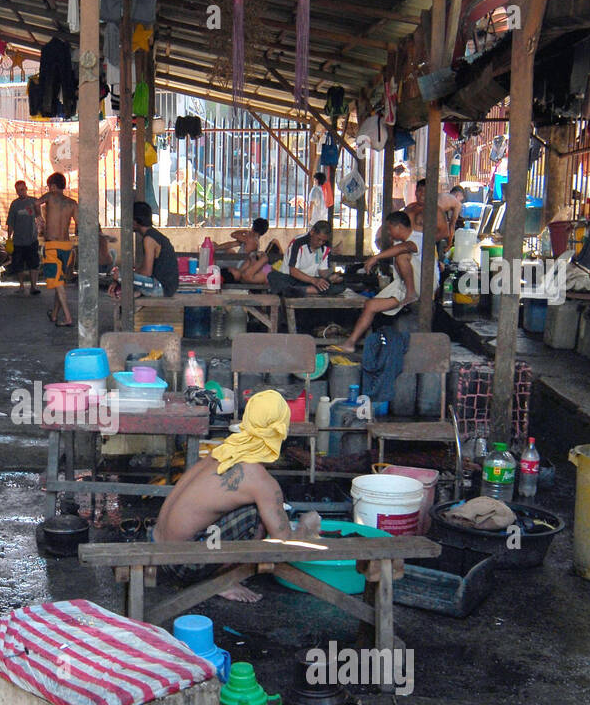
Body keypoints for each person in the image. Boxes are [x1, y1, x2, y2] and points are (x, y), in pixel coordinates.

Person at [151, 390, 321, 603]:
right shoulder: (262, 482)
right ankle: (222, 581)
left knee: (253, 506)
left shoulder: (225, 450)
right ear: (281, 430)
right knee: (257, 515)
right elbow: (285, 546)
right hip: (181, 566)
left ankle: (213, 570)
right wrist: (306, 526)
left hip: (157, 546)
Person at [333, 211, 421, 353]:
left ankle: (411, 294)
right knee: (370, 305)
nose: (388, 232)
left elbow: (405, 248)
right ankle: (350, 343)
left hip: (420, 286)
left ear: (398, 226)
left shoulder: (417, 238)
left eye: (389, 228)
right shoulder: (399, 242)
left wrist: (376, 258)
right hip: (403, 286)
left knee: (401, 256)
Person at [109, 201, 178, 300]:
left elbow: (146, 272)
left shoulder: (149, 239)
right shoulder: (153, 235)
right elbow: (144, 269)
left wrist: (119, 278)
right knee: (124, 275)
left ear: (135, 222)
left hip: (161, 288)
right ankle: (136, 292)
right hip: (167, 287)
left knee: (118, 275)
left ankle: (132, 291)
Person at [266, 219, 346, 296]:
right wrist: (314, 281)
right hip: (291, 278)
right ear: (312, 232)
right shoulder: (298, 243)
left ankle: (303, 290)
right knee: (273, 277)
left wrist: (331, 277)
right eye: (318, 239)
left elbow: (322, 271)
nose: (320, 243)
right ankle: (310, 290)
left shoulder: (324, 247)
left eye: (323, 241)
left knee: (341, 286)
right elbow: (293, 271)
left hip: (310, 282)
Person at [39, 173, 79, 325]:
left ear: (53, 186)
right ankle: (55, 314)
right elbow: (80, 224)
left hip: (52, 247)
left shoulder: (50, 196)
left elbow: (36, 203)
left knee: (58, 284)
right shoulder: (72, 203)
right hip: (67, 247)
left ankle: (68, 318)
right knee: (60, 282)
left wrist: (39, 218)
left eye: (49, 186)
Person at [6, 180, 42, 295]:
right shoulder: (14, 204)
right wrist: (9, 239)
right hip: (18, 240)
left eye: (22, 189)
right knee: (18, 264)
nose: (20, 192)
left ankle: (33, 287)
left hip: (32, 239)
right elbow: (10, 222)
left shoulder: (33, 202)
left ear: (26, 188)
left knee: (34, 263)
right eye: (18, 190)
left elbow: (39, 217)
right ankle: (21, 286)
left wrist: (42, 230)